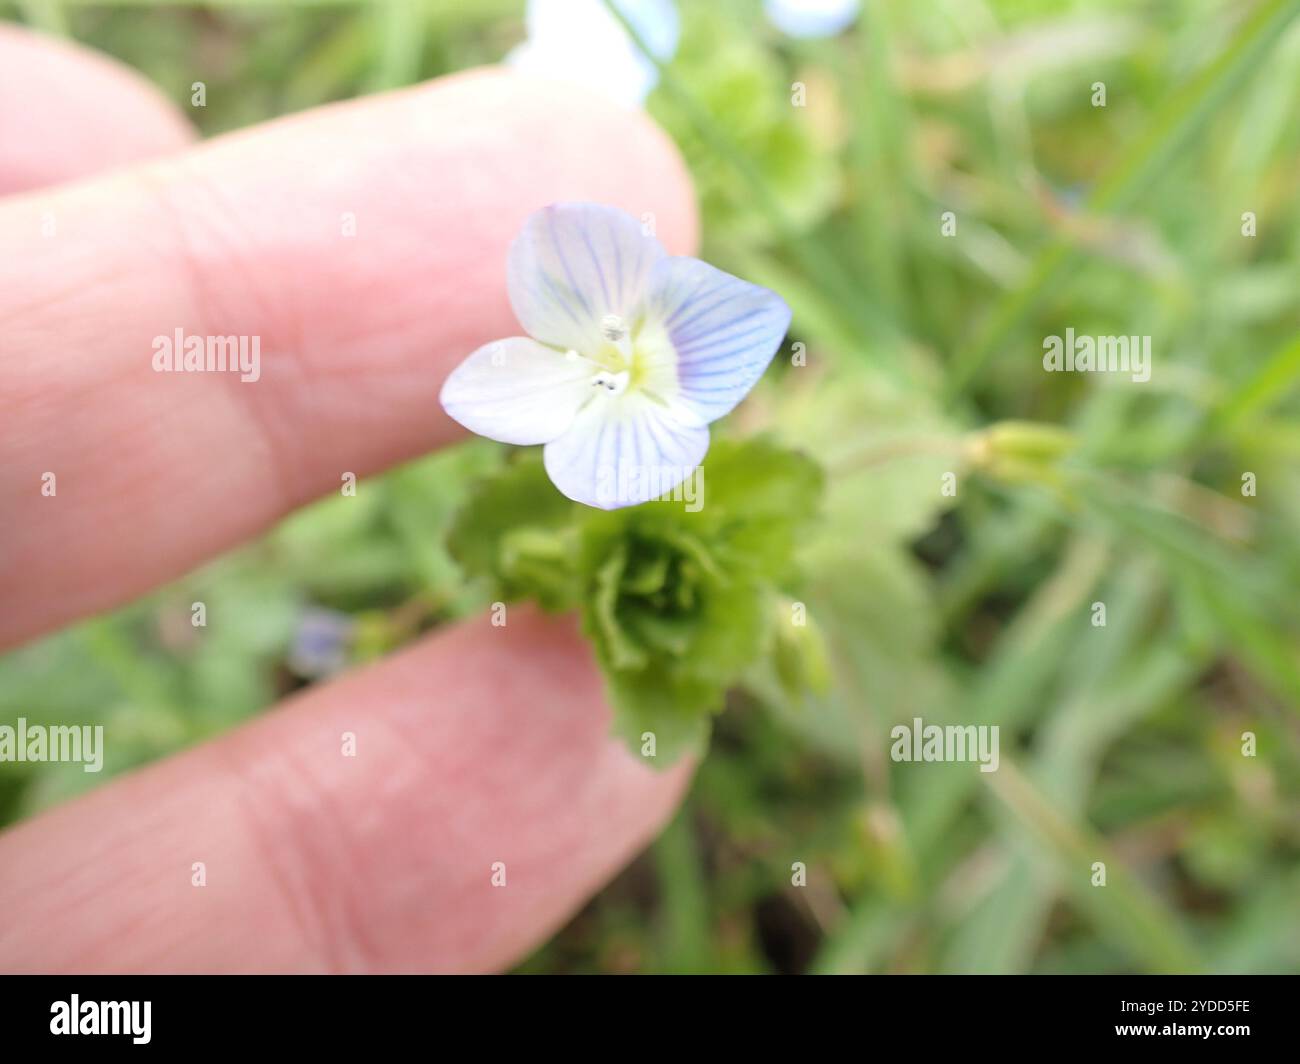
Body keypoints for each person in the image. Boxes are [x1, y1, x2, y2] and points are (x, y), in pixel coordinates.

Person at [0, 23, 696, 973]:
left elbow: (722, 337)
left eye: (619, 348)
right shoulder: (550, 358)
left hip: (654, 410)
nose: (613, 351)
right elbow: (496, 381)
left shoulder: (682, 349)